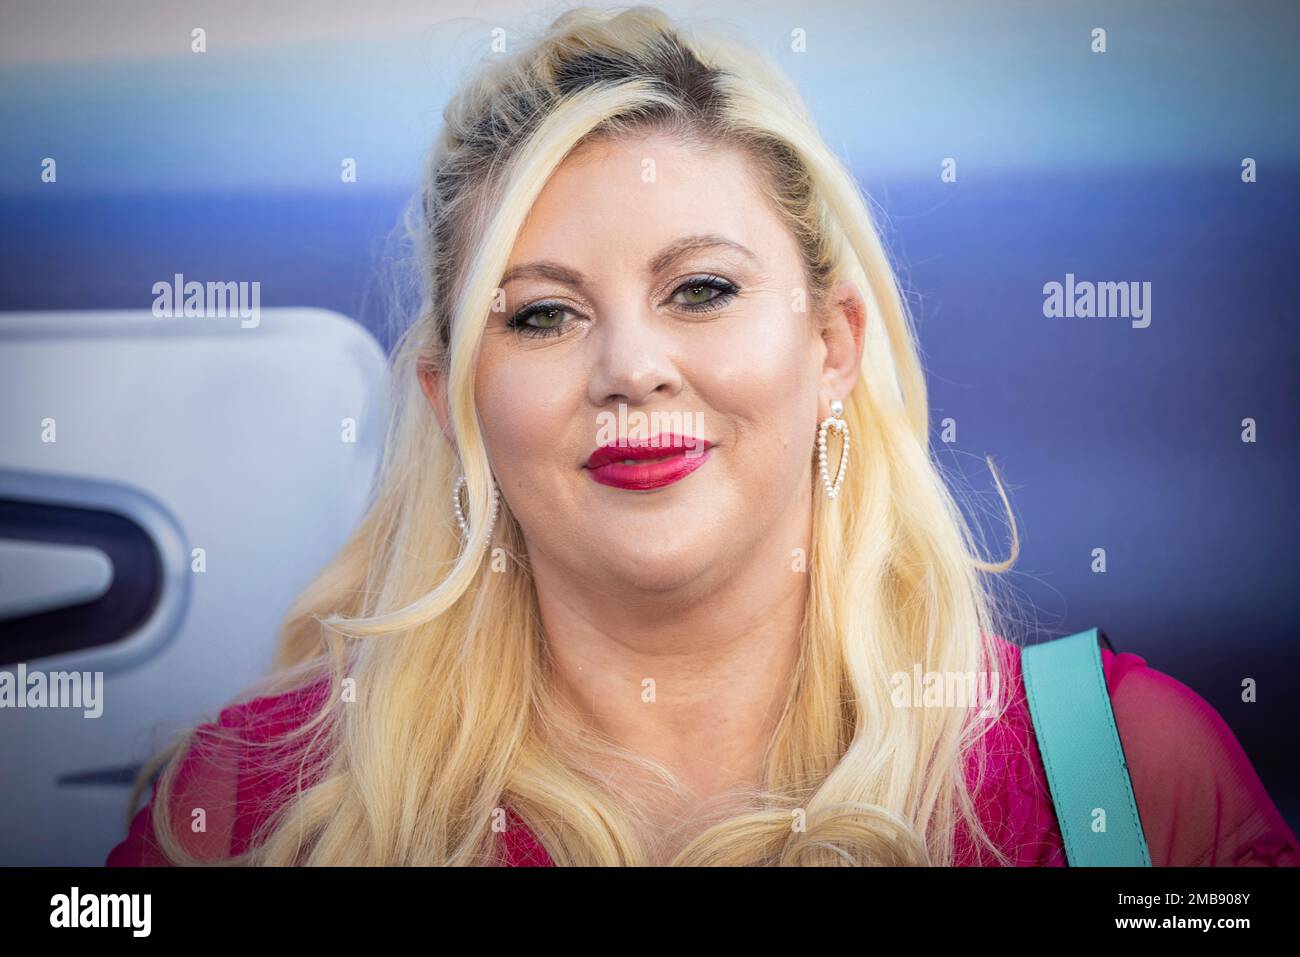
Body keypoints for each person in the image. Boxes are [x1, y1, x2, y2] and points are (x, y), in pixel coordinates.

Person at [107, 5, 1297, 867]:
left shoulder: (1124, 787)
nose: (631, 366)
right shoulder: (254, 811)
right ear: (452, 400)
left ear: (834, 343)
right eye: (543, 314)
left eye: (700, 290)